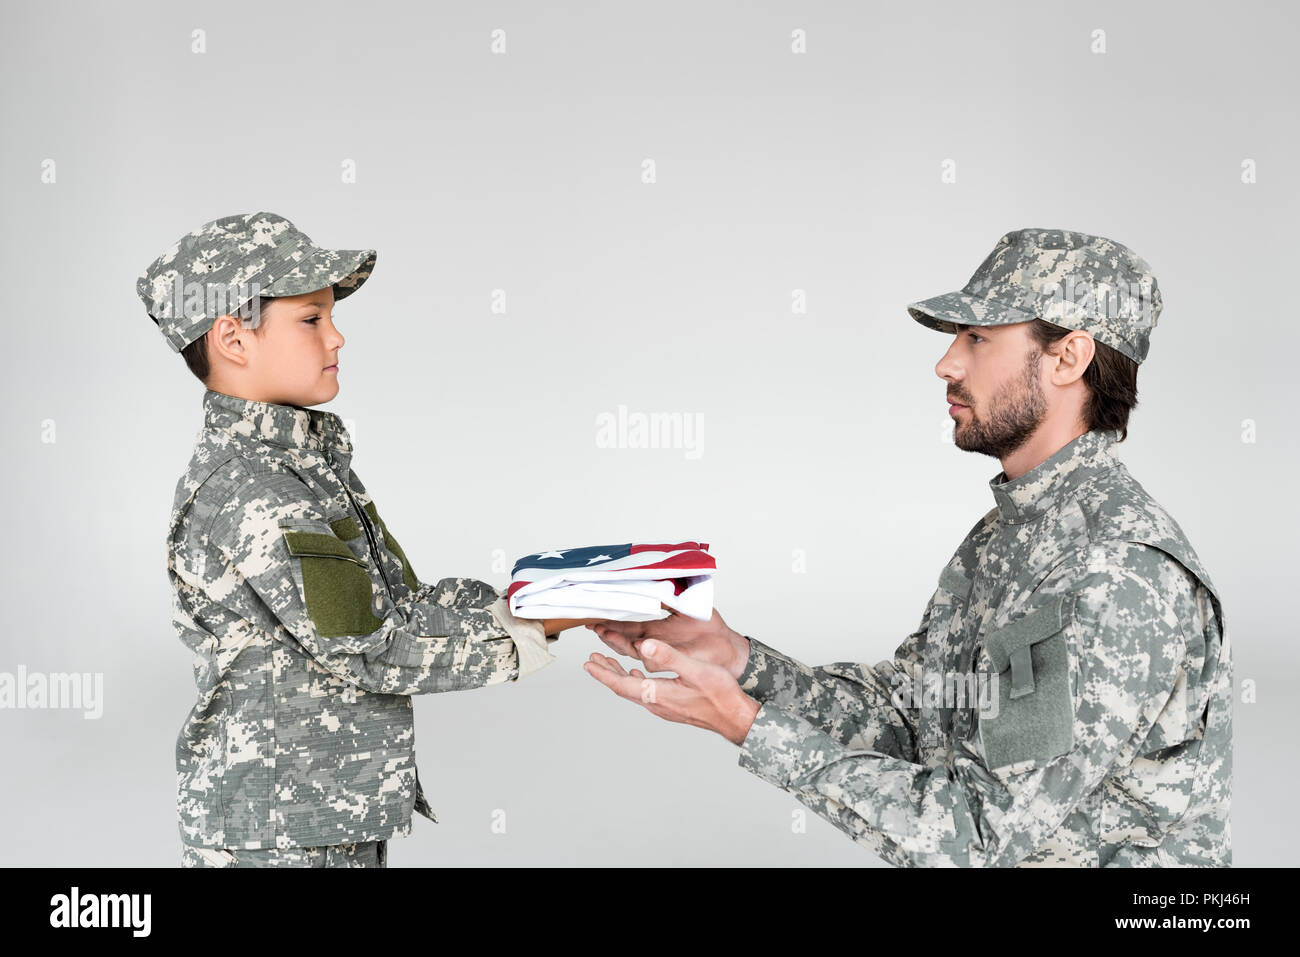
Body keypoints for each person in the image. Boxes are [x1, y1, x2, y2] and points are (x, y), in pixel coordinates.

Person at [584, 228, 1232, 867]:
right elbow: (916, 714)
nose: (947, 363)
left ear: (1068, 358)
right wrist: (737, 662)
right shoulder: (1010, 535)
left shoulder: (1111, 571)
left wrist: (749, 725)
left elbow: (978, 836)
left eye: (978, 338)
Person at [138, 211, 597, 868]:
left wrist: (539, 597)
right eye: (311, 318)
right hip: (275, 837)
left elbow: (398, 606)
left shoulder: (304, 468)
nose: (337, 336)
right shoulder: (251, 488)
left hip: (318, 821)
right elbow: (373, 651)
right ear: (234, 340)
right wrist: (548, 618)